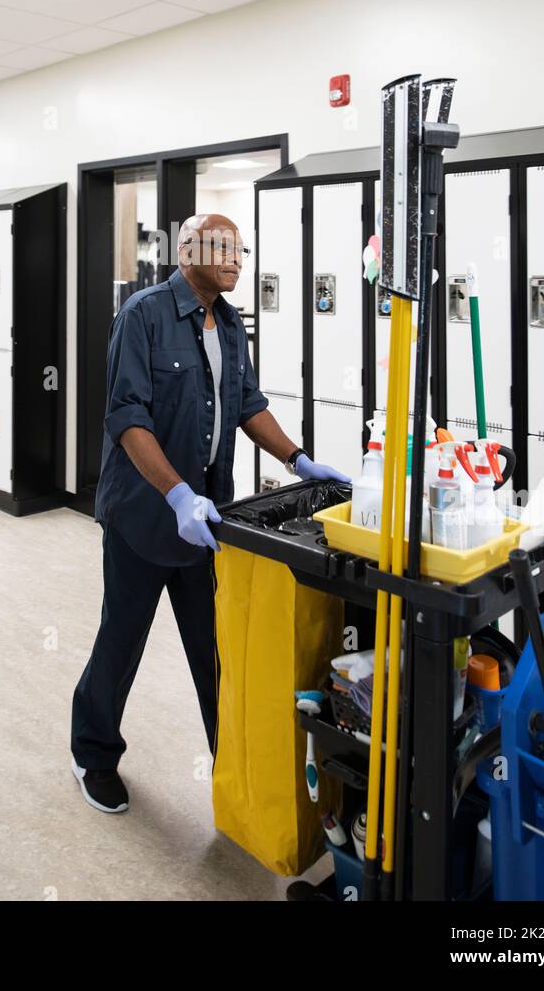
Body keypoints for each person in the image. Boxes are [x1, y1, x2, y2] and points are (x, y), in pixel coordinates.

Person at [71, 213, 350, 813]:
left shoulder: (229, 325)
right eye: (222, 247)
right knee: (122, 641)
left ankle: (232, 767)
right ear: (187, 249)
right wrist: (175, 494)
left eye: (241, 249)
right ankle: (92, 752)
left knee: (216, 650)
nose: (236, 259)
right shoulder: (142, 315)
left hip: (208, 522)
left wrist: (300, 460)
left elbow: (247, 405)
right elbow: (127, 418)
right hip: (143, 518)